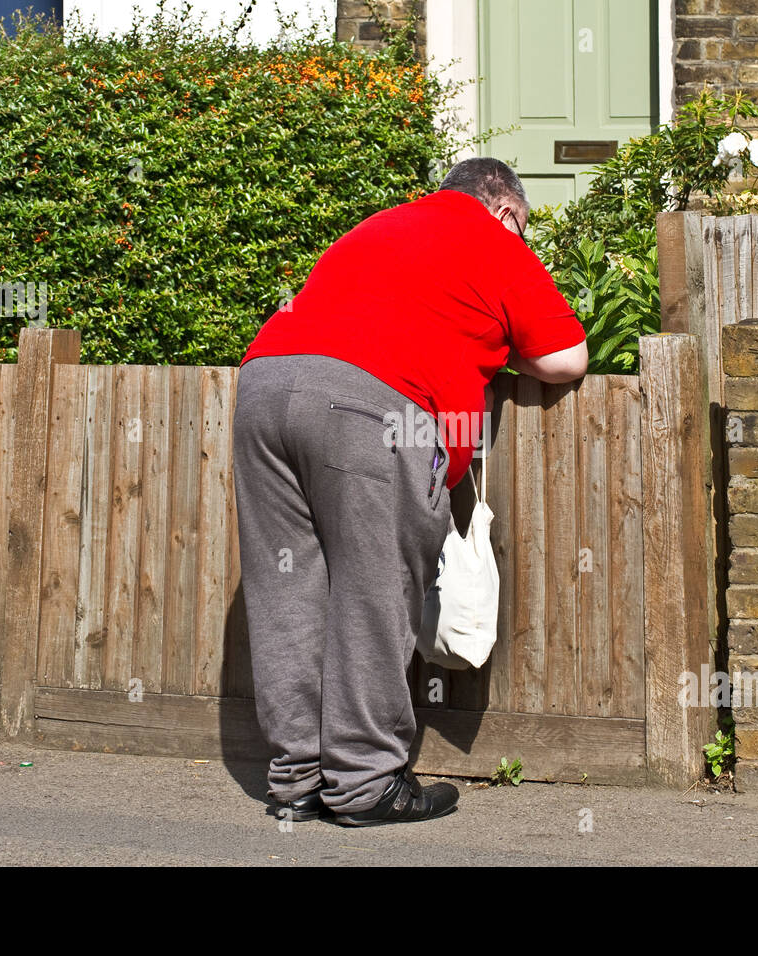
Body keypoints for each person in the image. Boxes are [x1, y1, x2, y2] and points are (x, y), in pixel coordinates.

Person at [232, 157, 588, 827]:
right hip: (373, 408)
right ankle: (365, 784)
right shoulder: (491, 238)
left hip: (264, 385)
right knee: (373, 591)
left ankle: (297, 781)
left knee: (286, 591)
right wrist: (489, 345)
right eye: (525, 227)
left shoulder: (374, 227)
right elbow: (566, 358)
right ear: (505, 208)